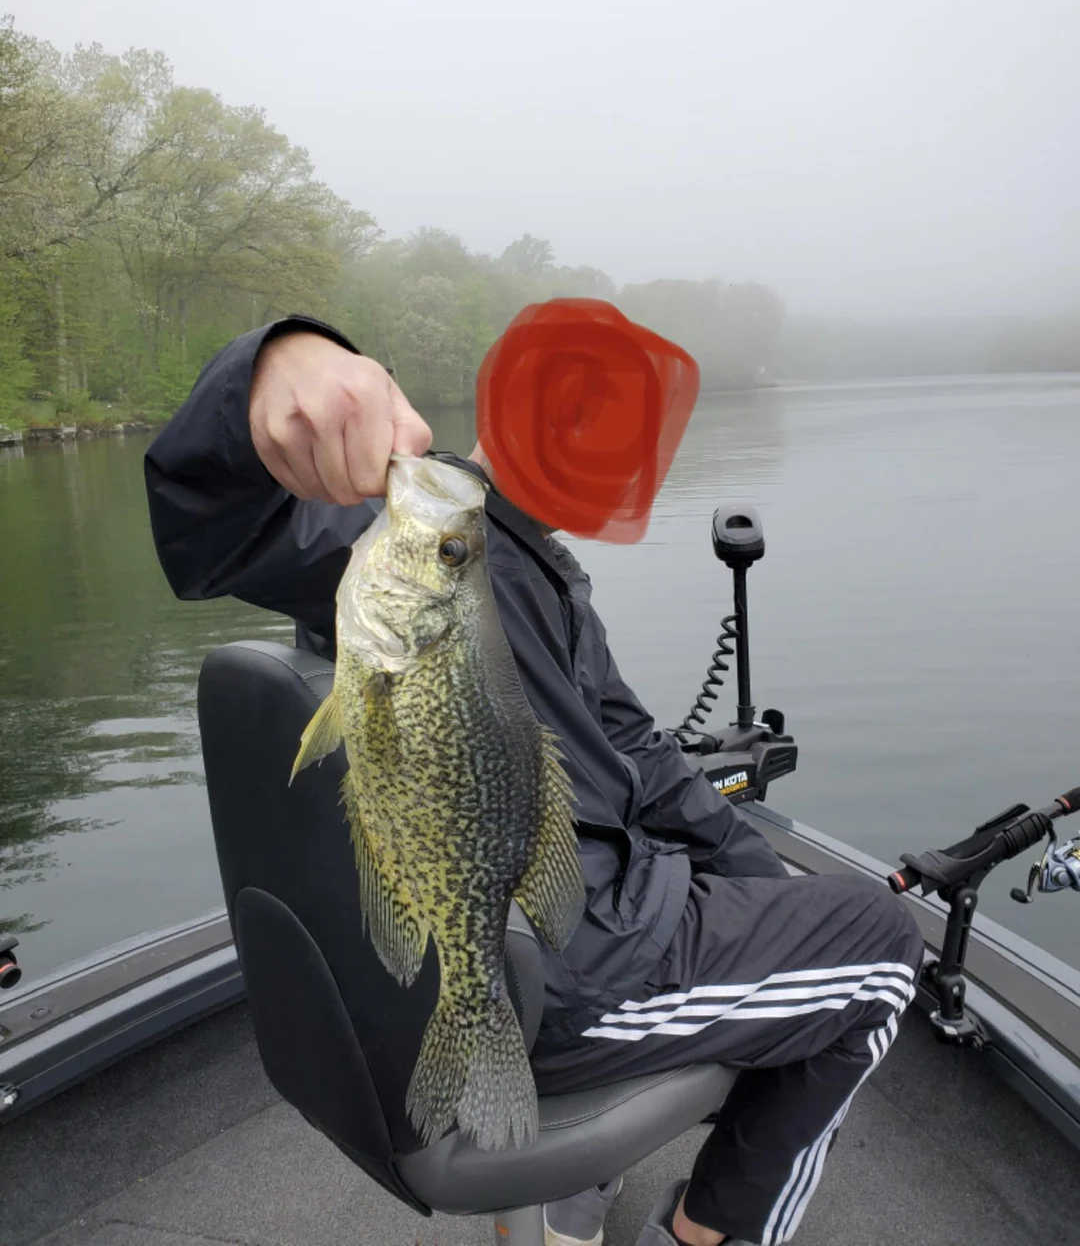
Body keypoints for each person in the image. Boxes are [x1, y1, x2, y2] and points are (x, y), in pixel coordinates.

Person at [145, 314, 924, 1246]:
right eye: (607, 429)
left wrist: (762, 879)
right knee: (882, 948)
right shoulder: (405, 540)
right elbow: (208, 524)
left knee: (789, 902)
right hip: (576, 969)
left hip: (593, 917)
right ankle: (706, 1231)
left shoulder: (534, 563)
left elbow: (636, 748)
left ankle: (577, 1190)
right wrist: (274, 365)